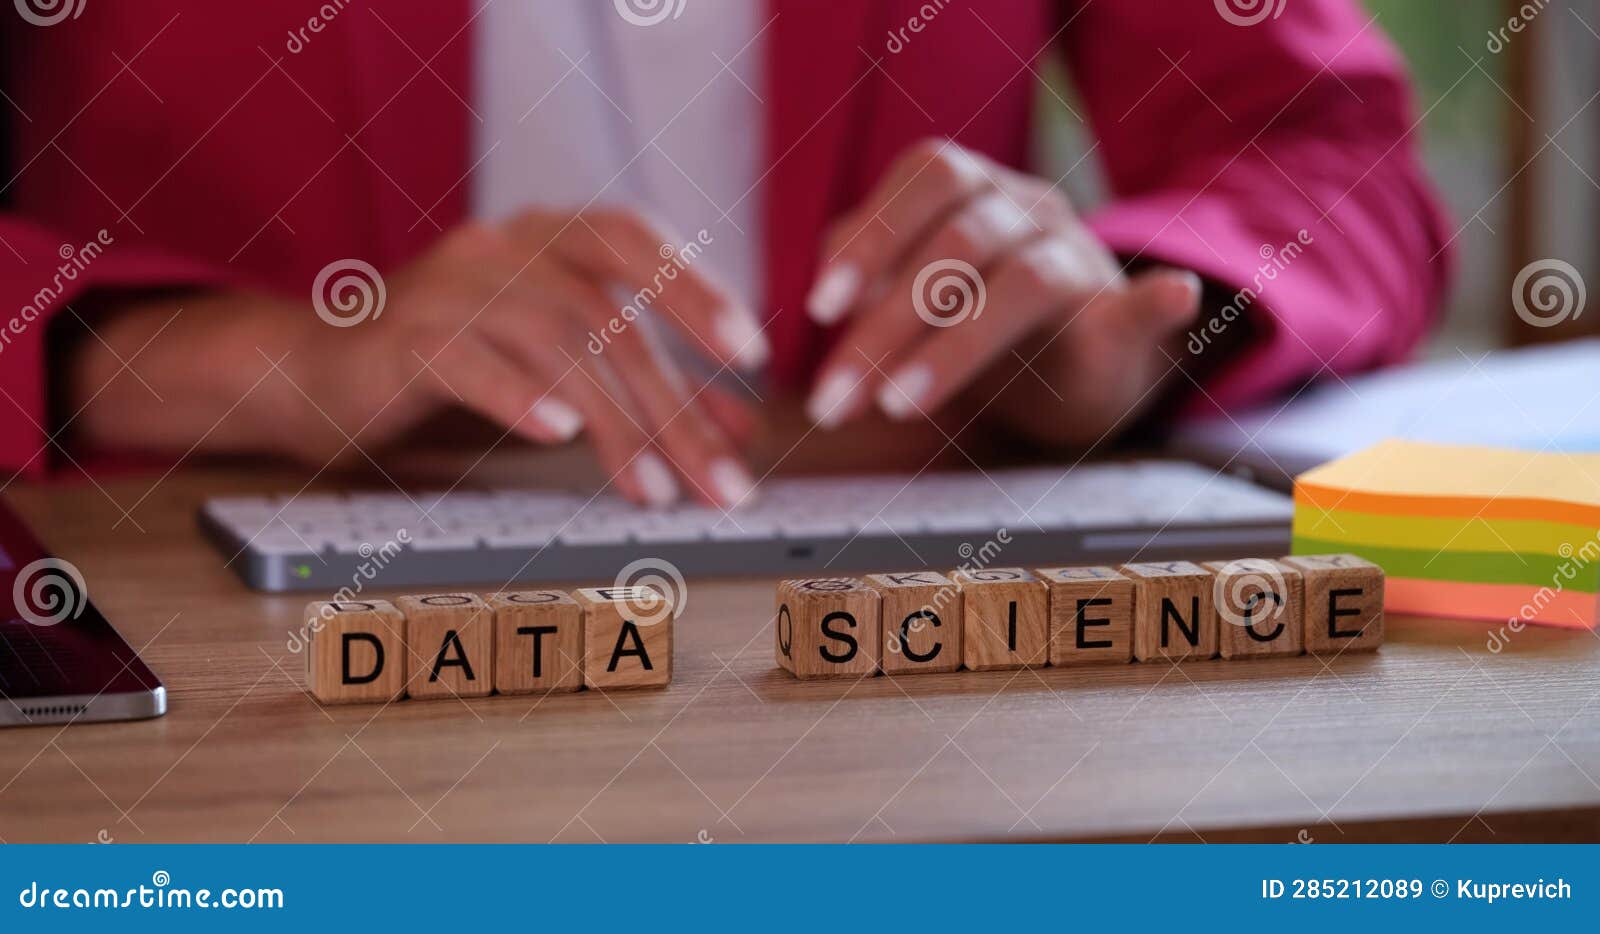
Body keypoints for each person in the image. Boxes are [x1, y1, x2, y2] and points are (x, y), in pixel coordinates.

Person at [0, 0, 1451, 508]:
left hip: (900, 685)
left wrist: (1134, 323)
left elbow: (1337, 160)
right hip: (209, 673)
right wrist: (256, 366)